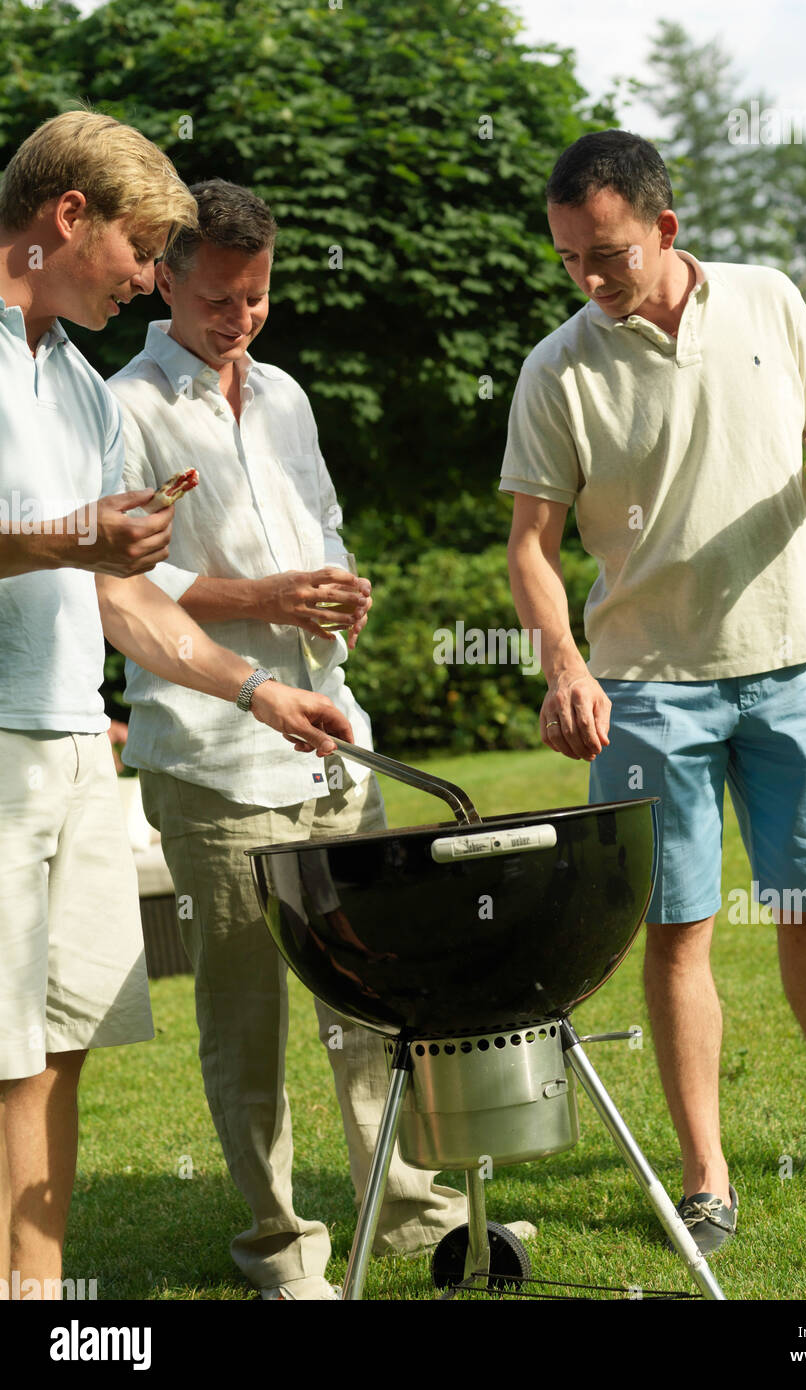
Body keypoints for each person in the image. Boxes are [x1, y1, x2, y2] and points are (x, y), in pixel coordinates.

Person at [501, 129, 806, 1256]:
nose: (591, 279)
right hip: (647, 692)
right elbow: (532, 547)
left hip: (791, 659)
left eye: (609, 255)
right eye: (570, 260)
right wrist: (565, 661)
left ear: (667, 230)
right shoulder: (558, 368)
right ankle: (706, 1177)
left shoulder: (769, 300)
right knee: (677, 929)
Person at [107, 179, 483, 1301]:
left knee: (366, 993)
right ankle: (278, 1245)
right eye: (221, 297)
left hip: (332, 739)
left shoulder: (286, 395)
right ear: (165, 276)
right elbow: (125, 582)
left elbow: (322, 524)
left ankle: (404, 1201)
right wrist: (264, 593)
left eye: (260, 295)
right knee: (245, 1015)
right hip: (211, 748)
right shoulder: (121, 404)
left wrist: (337, 589)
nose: (242, 316)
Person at [0, 112, 354, 1300]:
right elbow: (79, 550)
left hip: (73, 750)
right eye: (142, 250)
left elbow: (126, 599)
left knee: (58, 1046)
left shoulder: (76, 387)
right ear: (67, 217)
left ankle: (37, 1298)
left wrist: (261, 691)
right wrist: (71, 536)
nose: (152, 278)